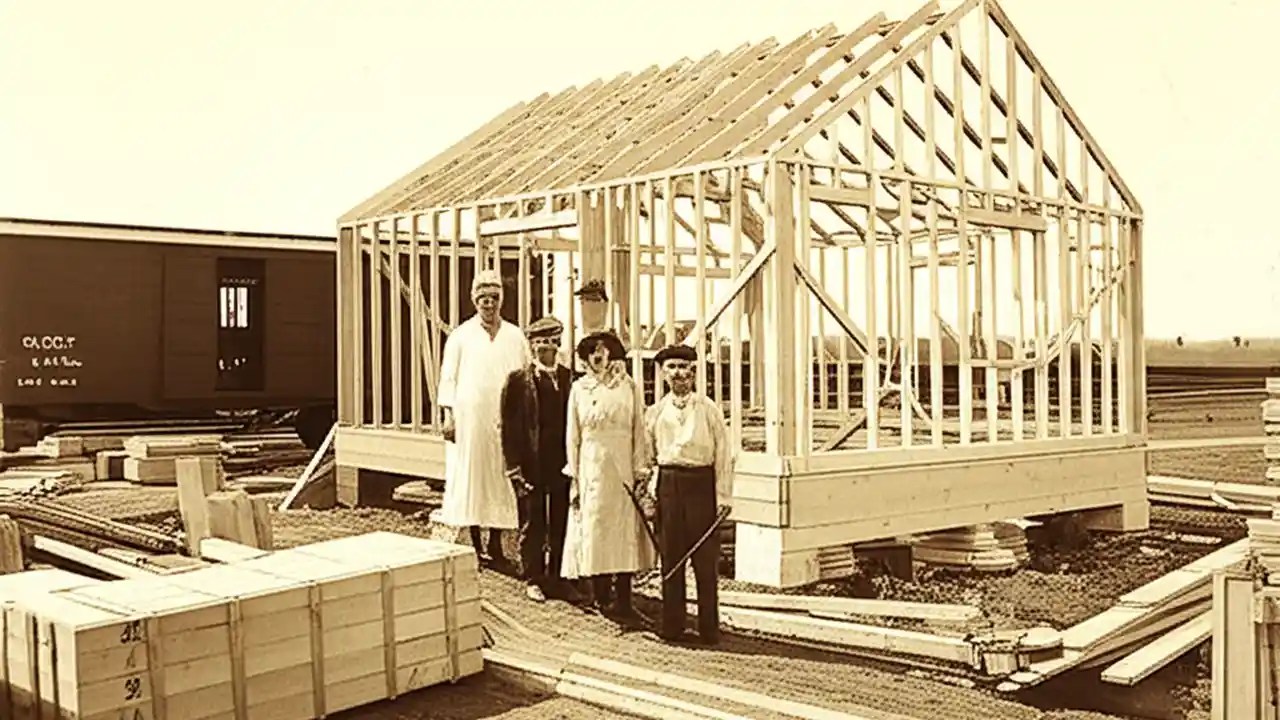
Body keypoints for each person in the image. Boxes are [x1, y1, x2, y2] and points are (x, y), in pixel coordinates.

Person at [437, 269, 532, 569]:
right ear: (474, 300)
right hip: (470, 420)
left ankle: (497, 544)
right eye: (483, 299)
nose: (488, 304)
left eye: (493, 298)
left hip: (505, 419)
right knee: (473, 477)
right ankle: (476, 544)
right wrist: (448, 416)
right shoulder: (460, 336)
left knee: (500, 477)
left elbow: (526, 377)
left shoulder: (515, 336)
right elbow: (448, 379)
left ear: (501, 300)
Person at [561, 330, 656, 626]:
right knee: (597, 529)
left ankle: (625, 599)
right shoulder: (579, 389)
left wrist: (640, 469)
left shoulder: (628, 387)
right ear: (586, 357)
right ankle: (602, 597)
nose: (599, 357)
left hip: (622, 467)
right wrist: (576, 476)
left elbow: (639, 430)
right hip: (592, 467)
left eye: (604, 351)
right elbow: (572, 436)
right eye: (593, 352)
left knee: (623, 530)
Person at [642, 343, 734, 645]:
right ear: (663, 374)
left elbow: (723, 455)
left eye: (684, 367)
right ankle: (672, 626)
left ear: (693, 371)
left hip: (701, 485)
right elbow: (648, 457)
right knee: (671, 558)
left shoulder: (709, 410)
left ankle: (709, 628)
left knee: (705, 561)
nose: (679, 373)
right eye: (672, 368)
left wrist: (723, 497)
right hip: (669, 486)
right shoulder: (655, 413)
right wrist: (649, 495)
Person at [499, 315, 576, 603]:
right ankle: (533, 577)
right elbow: (508, 427)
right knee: (532, 522)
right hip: (532, 463)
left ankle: (557, 576)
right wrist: (513, 467)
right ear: (532, 346)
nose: (547, 349)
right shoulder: (518, 381)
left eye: (552, 343)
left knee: (561, 520)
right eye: (540, 343)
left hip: (562, 463)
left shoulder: (570, 379)